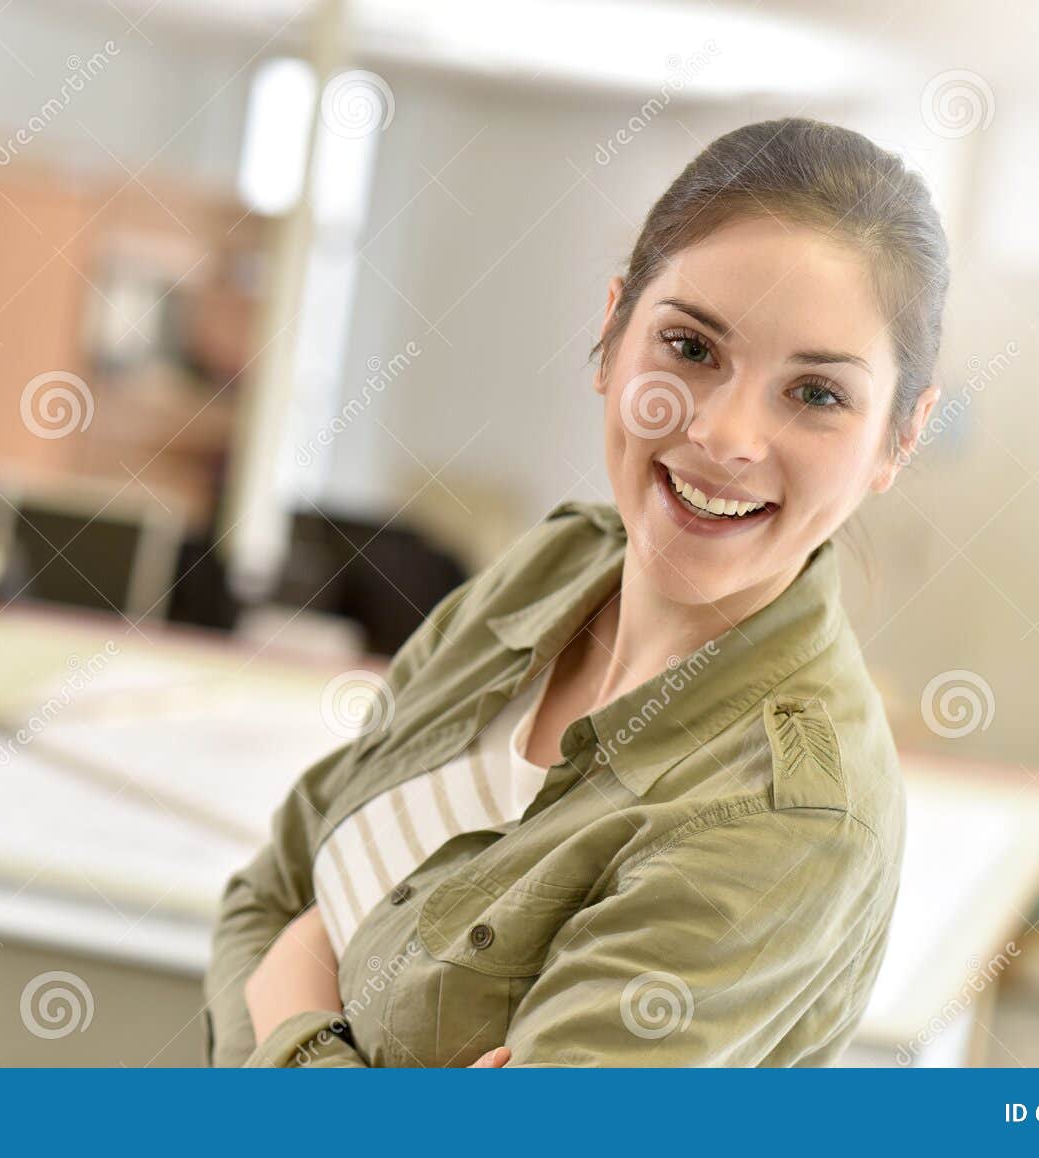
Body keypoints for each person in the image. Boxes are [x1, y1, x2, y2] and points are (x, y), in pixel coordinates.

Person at [205, 116, 947, 1067]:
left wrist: (296, 997)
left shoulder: (790, 818)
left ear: (900, 437)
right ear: (611, 334)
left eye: (816, 395)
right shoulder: (553, 568)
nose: (726, 436)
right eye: (690, 348)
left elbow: (278, 946)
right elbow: (261, 903)